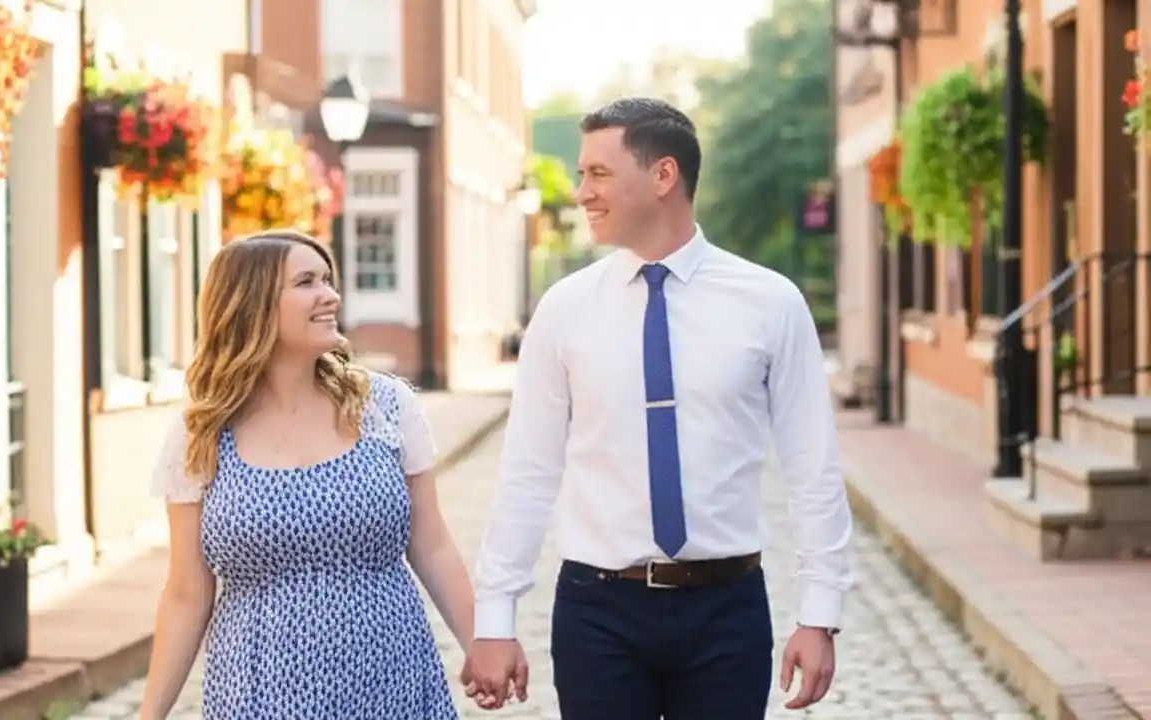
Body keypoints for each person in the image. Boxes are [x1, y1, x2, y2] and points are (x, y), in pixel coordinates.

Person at [461, 98, 855, 719]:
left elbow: (814, 468)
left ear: (663, 176)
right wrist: (494, 621)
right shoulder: (565, 311)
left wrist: (820, 614)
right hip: (598, 614)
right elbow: (528, 473)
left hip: (727, 610)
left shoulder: (770, 304)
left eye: (599, 173)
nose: (582, 192)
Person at [139, 230, 473, 720]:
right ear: (252, 305)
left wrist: (482, 643)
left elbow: (432, 544)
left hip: (388, 680)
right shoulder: (202, 431)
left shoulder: (384, 407)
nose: (330, 295)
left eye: (328, 279)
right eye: (306, 282)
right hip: (258, 690)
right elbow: (189, 592)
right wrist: (150, 715)